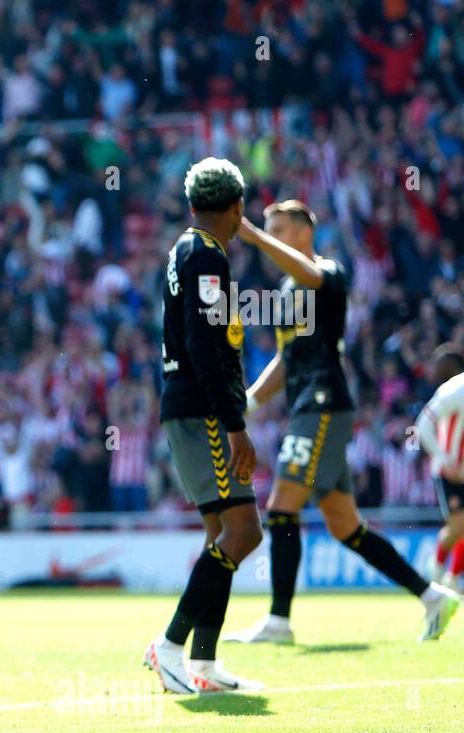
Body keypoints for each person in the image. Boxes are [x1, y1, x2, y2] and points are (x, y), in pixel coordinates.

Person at [227, 201, 457, 644]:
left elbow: (311, 276)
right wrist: (252, 401)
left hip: (323, 405)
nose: (269, 238)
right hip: (306, 406)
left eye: (278, 230)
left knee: (281, 508)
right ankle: (432, 597)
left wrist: (255, 236)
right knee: (345, 526)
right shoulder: (286, 290)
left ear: (302, 233)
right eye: (267, 230)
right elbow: (286, 358)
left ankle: (278, 621)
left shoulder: (326, 273)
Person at [143, 158, 264, 694]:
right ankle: (169, 646)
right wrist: (235, 423)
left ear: (193, 205)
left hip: (186, 403)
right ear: (237, 208)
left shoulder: (185, 250)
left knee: (223, 533)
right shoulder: (207, 257)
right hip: (203, 410)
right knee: (243, 531)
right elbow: (205, 343)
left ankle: (205, 662)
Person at [413, 344, 464, 594]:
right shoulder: (455, 389)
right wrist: (444, 459)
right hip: (450, 472)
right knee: (460, 524)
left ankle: (452, 578)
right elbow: (422, 425)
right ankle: (435, 568)